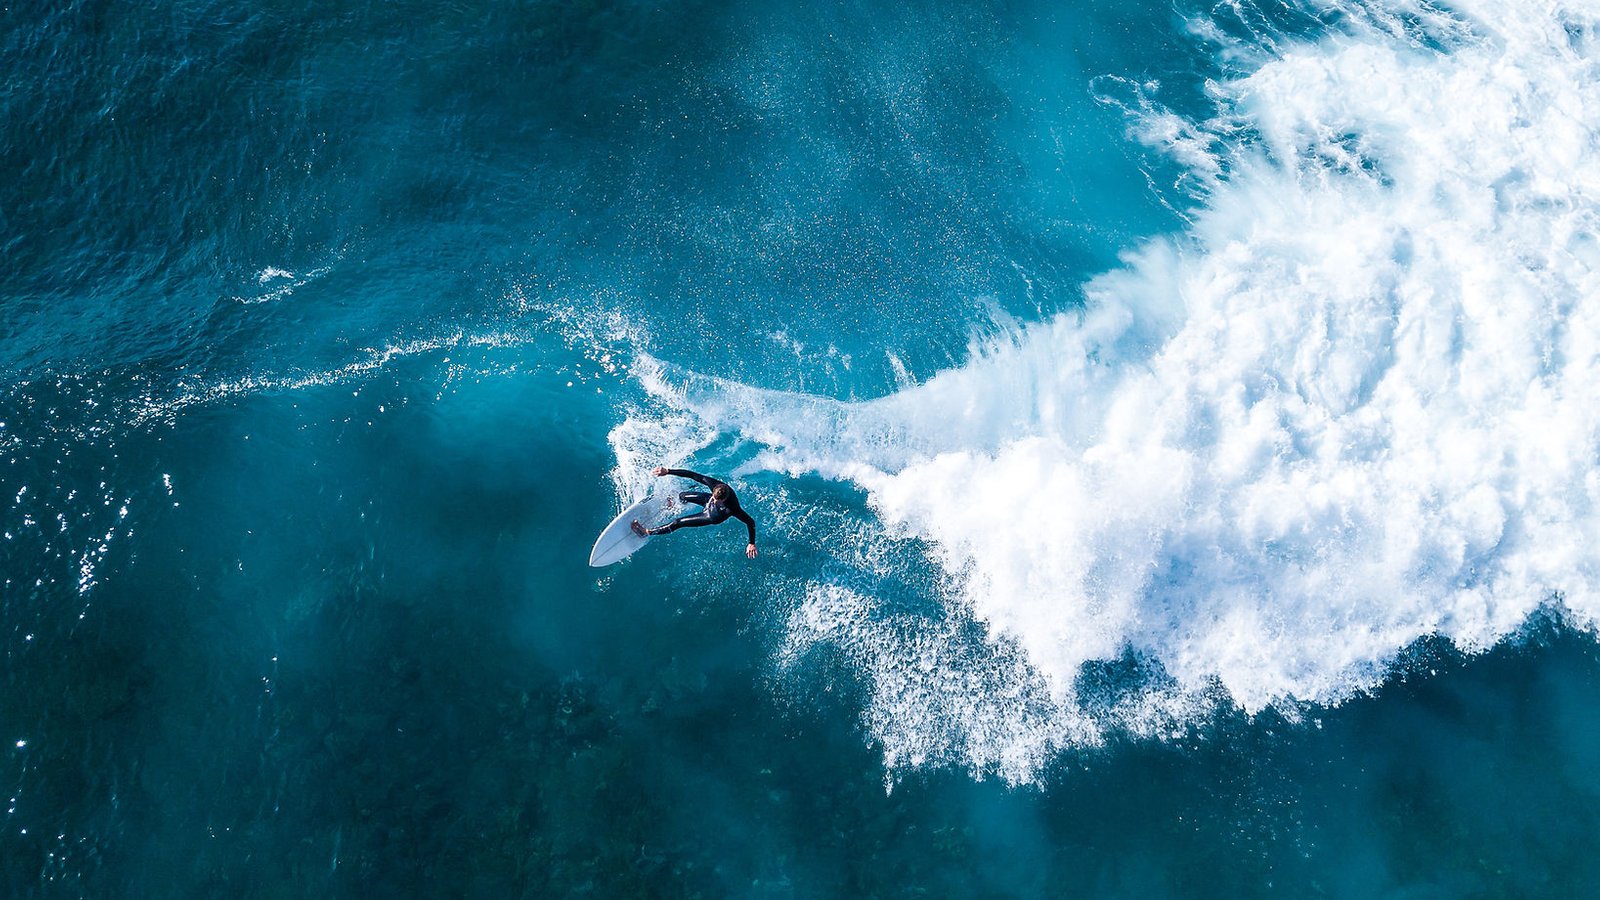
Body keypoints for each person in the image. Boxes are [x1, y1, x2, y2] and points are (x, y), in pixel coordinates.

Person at [633, 466, 758, 558]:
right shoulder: (716, 486)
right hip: (707, 500)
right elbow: (693, 475)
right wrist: (668, 471)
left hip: (713, 515)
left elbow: (750, 522)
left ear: (724, 499)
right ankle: (674, 504)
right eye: (714, 498)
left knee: (678, 522)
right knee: (682, 495)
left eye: (717, 500)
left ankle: (646, 532)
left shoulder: (732, 508)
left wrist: (751, 543)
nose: (715, 501)